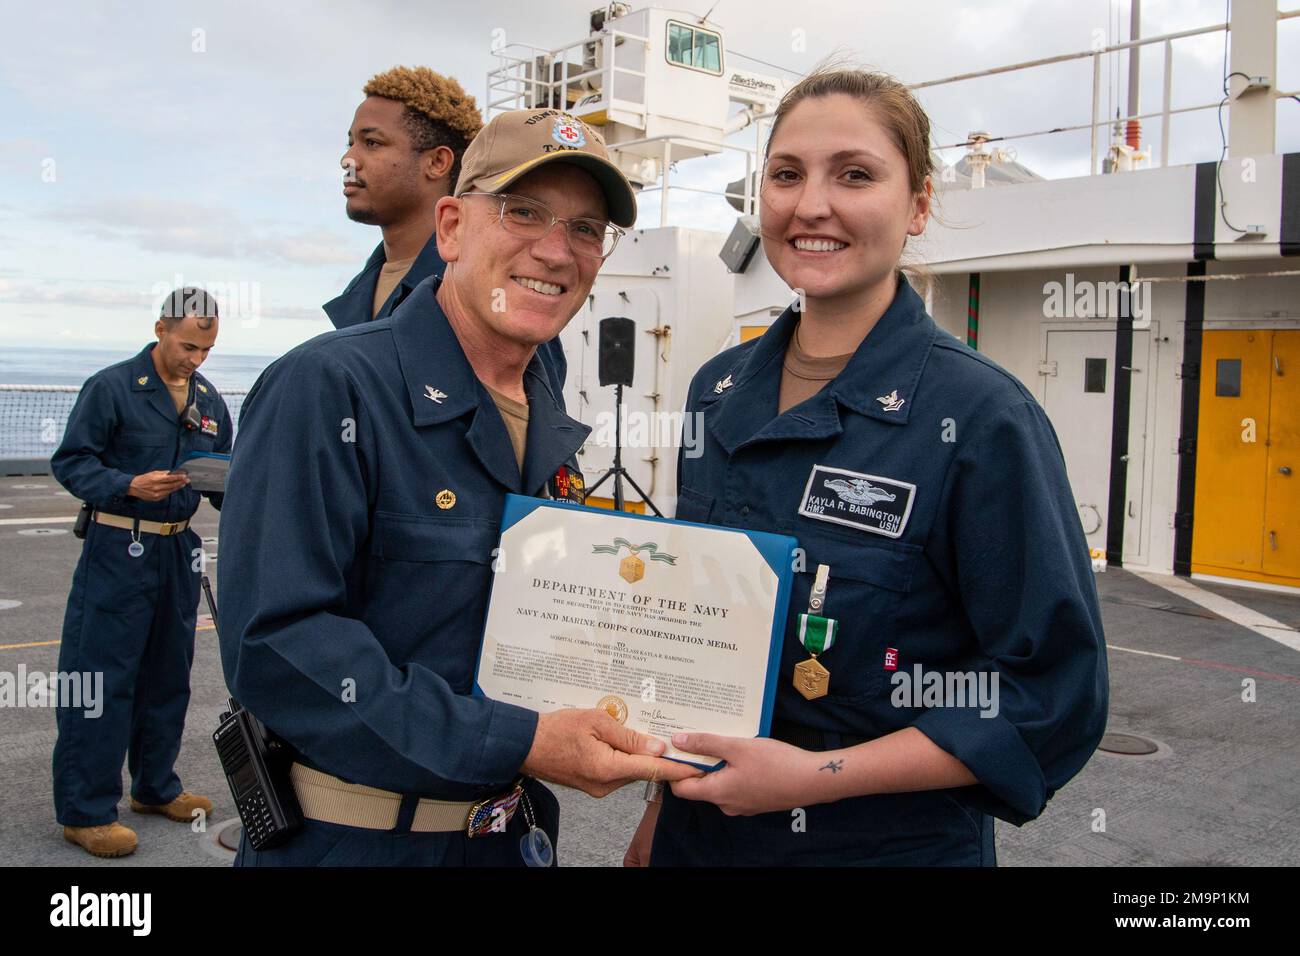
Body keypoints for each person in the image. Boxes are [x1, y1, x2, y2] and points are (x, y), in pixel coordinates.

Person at [624, 68, 1109, 867]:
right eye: (786, 175)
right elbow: (696, 643)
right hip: (700, 836)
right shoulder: (715, 390)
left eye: (855, 174)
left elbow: (1046, 693)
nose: (811, 204)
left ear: (917, 205)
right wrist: (654, 822)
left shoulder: (983, 419)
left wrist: (816, 776)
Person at [218, 108, 697, 867]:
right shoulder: (329, 386)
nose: (555, 249)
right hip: (361, 845)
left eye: (585, 228)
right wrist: (520, 739)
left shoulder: (544, 396)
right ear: (451, 226)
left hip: (510, 838)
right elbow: (279, 645)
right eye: (524, 212)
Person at [51, 288, 232, 858]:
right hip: (118, 545)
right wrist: (127, 485)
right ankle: (86, 812)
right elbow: (72, 461)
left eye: (205, 349)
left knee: (167, 677)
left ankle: (155, 787)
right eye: (186, 346)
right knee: (101, 680)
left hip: (179, 554)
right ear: (159, 328)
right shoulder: (111, 388)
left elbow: (228, 471)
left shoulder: (208, 399)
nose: (195, 359)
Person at [328, 65, 568, 399]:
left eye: (372, 142)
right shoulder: (363, 287)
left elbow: (531, 435)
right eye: (351, 143)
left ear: (438, 163)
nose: (348, 159)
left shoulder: (491, 290)